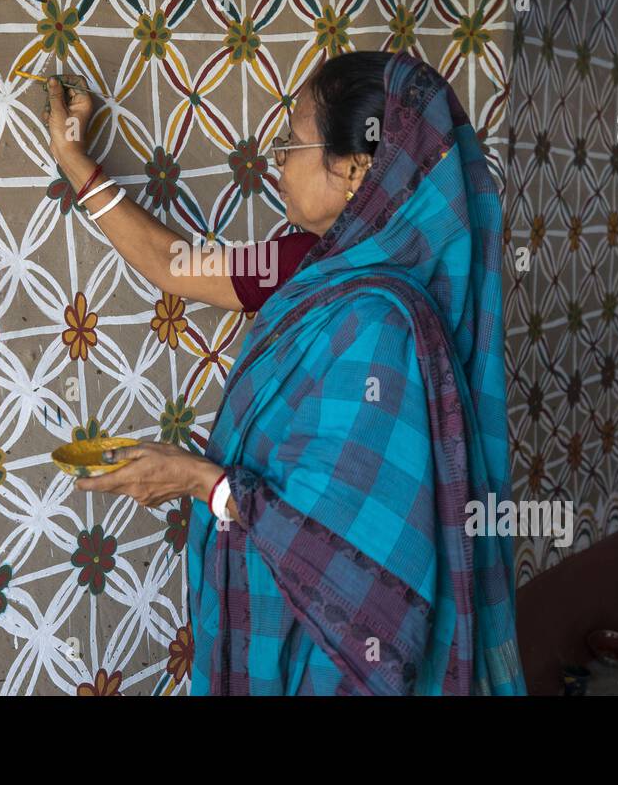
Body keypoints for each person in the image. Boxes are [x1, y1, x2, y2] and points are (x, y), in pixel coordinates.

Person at [46, 50, 526, 695]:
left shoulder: (383, 322)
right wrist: (73, 157)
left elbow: (350, 552)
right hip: (284, 607)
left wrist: (199, 481)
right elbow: (171, 264)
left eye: (293, 142)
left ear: (356, 168)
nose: (276, 160)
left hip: (338, 649)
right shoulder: (313, 264)